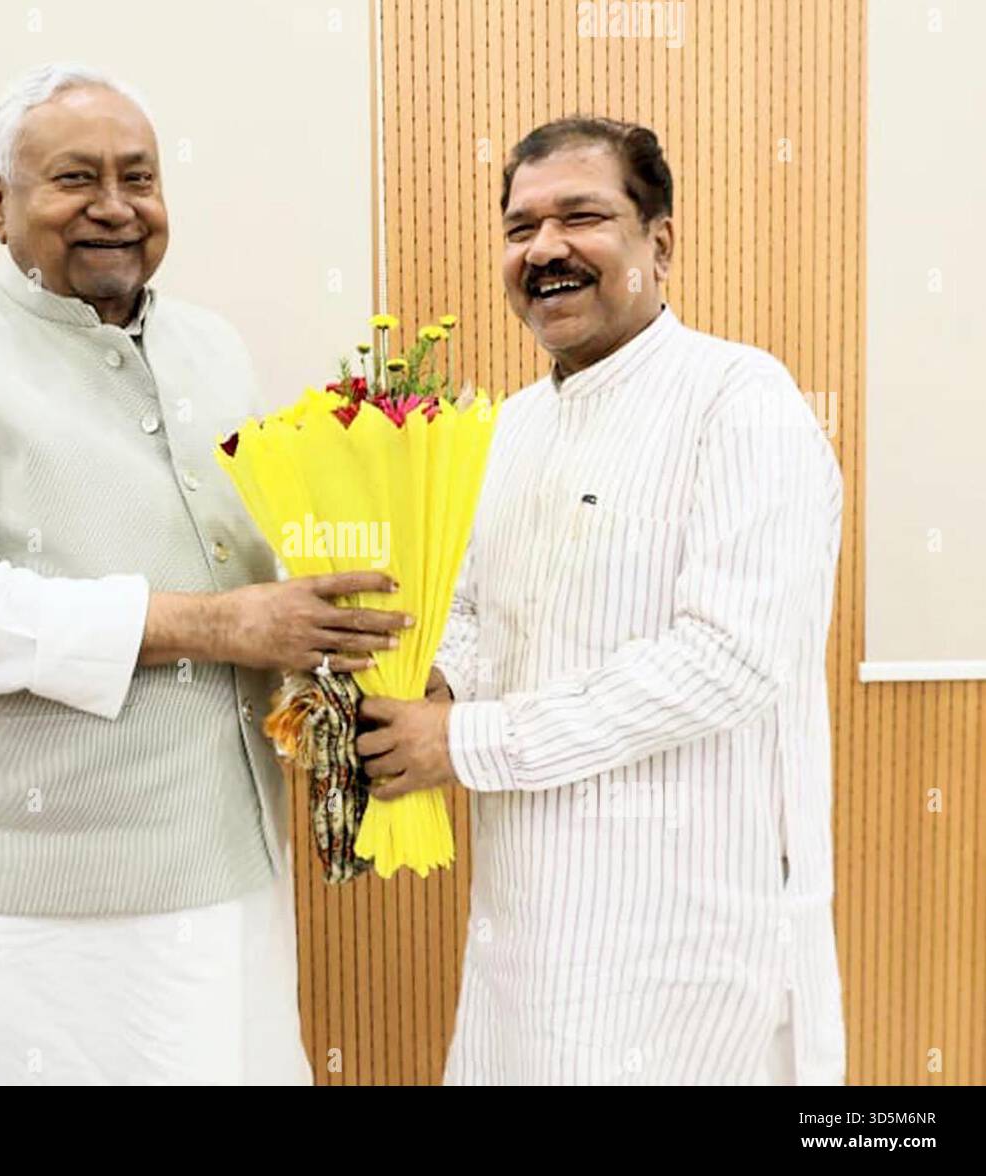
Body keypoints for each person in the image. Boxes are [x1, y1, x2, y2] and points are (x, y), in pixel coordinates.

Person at [0, 62, 411, 1085]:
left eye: (138, 178)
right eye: (74, 180)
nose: (114, 207)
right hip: (39, 911)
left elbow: (255, 568)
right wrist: (216, 627)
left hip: (229, 873)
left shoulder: (214, 347)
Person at [356, 117, 845, 1085]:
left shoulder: (740, 401)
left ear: (658, 243)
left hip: (682, 946)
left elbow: (728, 659)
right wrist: (420, 686)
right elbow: (485, 618)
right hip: (526, 938)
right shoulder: (505, 428)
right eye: (519, 227)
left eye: (581, 216)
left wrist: (460, 743)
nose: (543, 250)